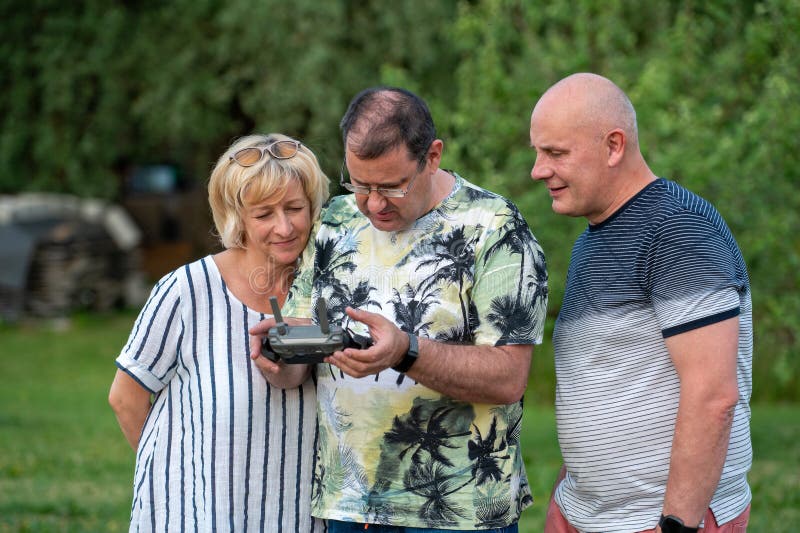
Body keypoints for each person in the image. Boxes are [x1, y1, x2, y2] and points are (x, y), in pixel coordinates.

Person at [250, 87, 548, 532]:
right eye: (360, 184)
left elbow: (508, 378)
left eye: (391, 186)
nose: (373, 204)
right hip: (349, 504)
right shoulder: (335, 220)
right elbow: (303, 358)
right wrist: (281, 355)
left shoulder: (495, 228)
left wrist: (406, 351)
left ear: (432, 156)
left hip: (460, 510)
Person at [529, 73, 753, 533]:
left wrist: (678, 524)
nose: (537, 170)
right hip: (585, 513)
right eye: (537, 152)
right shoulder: (593, 240)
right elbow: (602, 380)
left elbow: (714, 395)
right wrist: (567, 497)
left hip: (660, 520)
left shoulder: (679, 231)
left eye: (555, 153)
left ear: (614, 146)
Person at [108, 133, 329, 532]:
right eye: (264, 214)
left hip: (296, 518)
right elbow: (126, 398)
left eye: (295, 208)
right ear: (236, 217)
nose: (284, 227)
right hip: (203, 518)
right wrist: (176, 488)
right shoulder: (186, 291)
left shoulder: (328, 291)